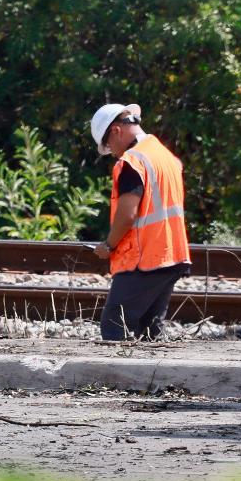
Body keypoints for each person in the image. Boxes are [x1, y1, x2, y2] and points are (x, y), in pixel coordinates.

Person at [88, 103, 191, 341]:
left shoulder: (133, 161)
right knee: (149, 332)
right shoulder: (164, 155)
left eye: (108, 145)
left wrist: (109, 245)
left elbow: (128, 214)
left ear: (116, 131)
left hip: (144, 259)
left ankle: (117, 368)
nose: (112, 152)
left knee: (115, 326)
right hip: (171, 255)